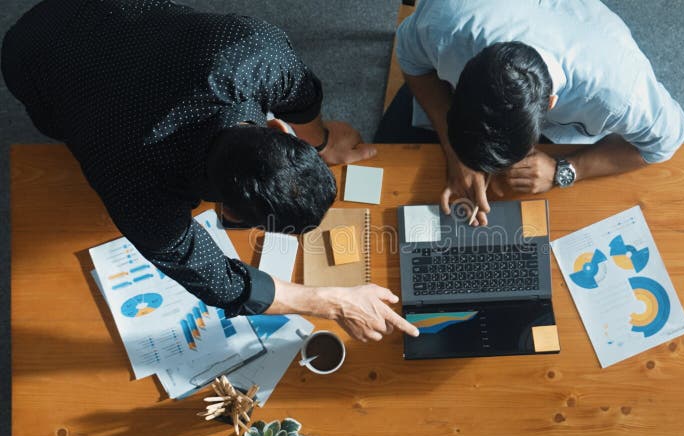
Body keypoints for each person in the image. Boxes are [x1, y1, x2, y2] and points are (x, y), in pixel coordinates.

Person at [2, 0, 418, 342]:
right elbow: (222, 284)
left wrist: (321, 141)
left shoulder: (256, 52)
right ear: (231, 215)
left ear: (276, 128)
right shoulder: (140, 199)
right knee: (57, 123)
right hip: (32, 54)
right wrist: (334, 302)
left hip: (87, 17)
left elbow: (300, 93)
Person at [376, 0, 684, 226]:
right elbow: (412, 62)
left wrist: (565, 170)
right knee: (383, 181)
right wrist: (455, 151)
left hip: (585, 91)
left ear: (550, 105)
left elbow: (663, 144)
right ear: (464, 71)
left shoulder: (620, 93)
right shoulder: (444, 22)